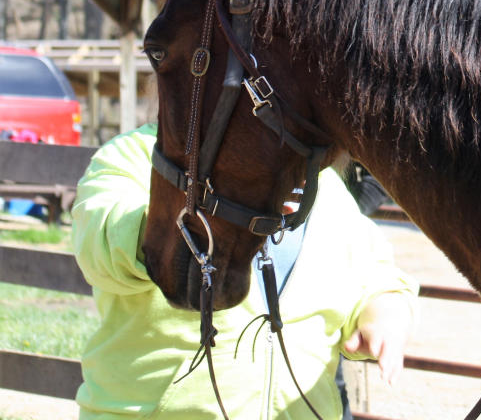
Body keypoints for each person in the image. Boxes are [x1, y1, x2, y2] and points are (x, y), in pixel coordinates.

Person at [72, 123, 419, 419]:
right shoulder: (137, 155)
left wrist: (384, 309)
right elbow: (99, 241)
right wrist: (178, 222)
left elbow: (372, 271)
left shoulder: (324, 186)